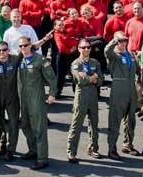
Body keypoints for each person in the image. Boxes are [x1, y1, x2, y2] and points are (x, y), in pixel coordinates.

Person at [14, 35, 57, 169]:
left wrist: (52, 93)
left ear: (30, 45)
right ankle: (33, 150)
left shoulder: (40, 60)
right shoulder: (19, 59)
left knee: (39, 129)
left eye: (25, 45)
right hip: (24, 100)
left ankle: (43, 158)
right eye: (20, 46)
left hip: (36, 99)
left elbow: (52, 78)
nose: (23, 48)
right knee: (26, 126)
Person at [64, 41, 102, 163]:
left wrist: (90, 78)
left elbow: (100, 80)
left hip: (93, 96)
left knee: (94, 123)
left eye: (88, 47)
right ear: (79, 49)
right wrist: (92, 77)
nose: (86, 49)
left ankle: (93, 148)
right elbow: (80, 80)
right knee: (77, 124)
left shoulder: (95, 62)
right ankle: (71, 151)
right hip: (81, 96)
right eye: (83, 47)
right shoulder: (76, 63)